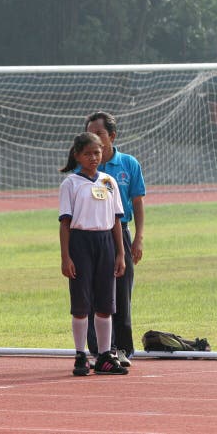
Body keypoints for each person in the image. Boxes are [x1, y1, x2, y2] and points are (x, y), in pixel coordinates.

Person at [59, 133, 128, 377]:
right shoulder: (71, 184)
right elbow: (65, 222)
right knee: (81, 302)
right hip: (81, 242)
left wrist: (120, 253)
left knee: (105, 303)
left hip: (105, 242)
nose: (93, 158)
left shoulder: (109, 181)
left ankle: (105, 354)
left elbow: (116, 221)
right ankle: (80, 355)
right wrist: (66, 257)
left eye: (97, 153)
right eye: (87, 153)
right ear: (77, 155)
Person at [84, 112, 145, 367]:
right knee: (92, 293)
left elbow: (138, 202)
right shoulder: (84, 167)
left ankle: (122, 349)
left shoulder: (129, 164)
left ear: (112, 136)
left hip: (121, 230)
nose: (95, 138)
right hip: (91, 233)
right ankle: (99, 349)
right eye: (90, 133)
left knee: (121, 293)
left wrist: (138, 239)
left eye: (99, 133)